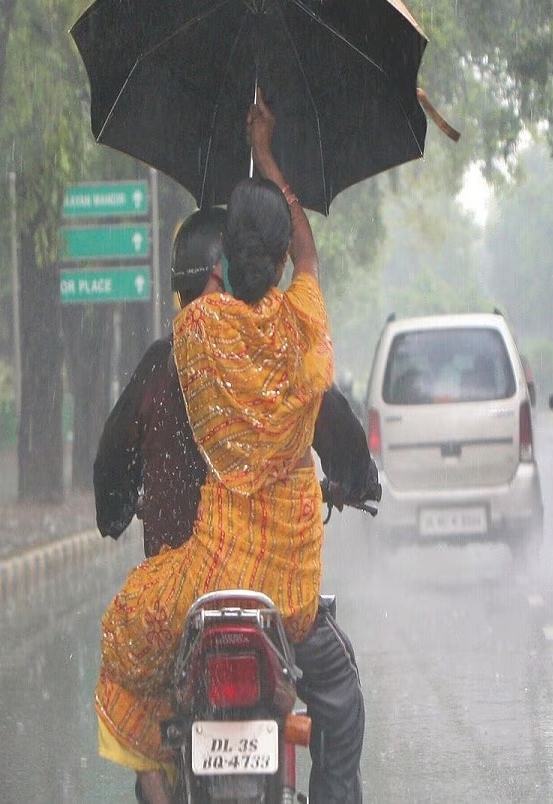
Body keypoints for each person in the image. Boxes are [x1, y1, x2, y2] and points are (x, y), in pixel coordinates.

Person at [95, 91, 344, 804]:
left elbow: (212, 291)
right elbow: (309, 261)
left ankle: (158, 786)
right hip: (287, 595)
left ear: (223, 263)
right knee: (340, 695)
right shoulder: (302, 326)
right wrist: (269, 158)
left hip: (210, 576)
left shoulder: (200, 333)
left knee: (124, 646)